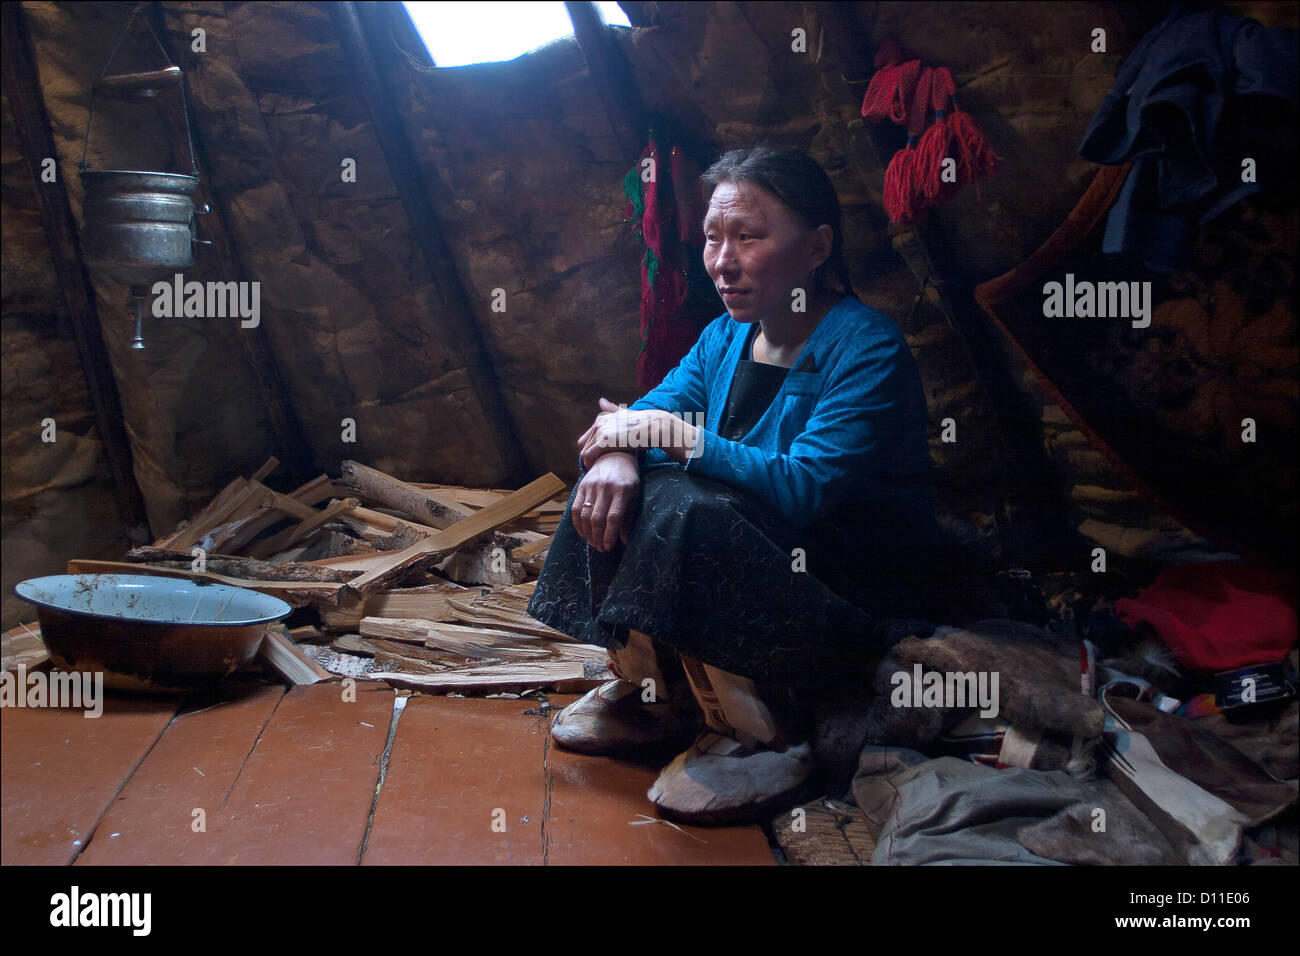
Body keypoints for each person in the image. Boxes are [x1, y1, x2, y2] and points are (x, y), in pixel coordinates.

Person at [527, 146, 941, 825]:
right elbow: (642, 416)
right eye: (714, 238)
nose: (722, 260)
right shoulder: (726, 336)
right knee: (635, 487)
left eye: (749, 237)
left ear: (816, 247)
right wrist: (618, 458)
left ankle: (770, 731)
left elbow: (807, 487)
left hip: (847, 572)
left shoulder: (866, 346)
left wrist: (667, 438)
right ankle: (660, 690)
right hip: (752, 541)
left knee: (687, 510)